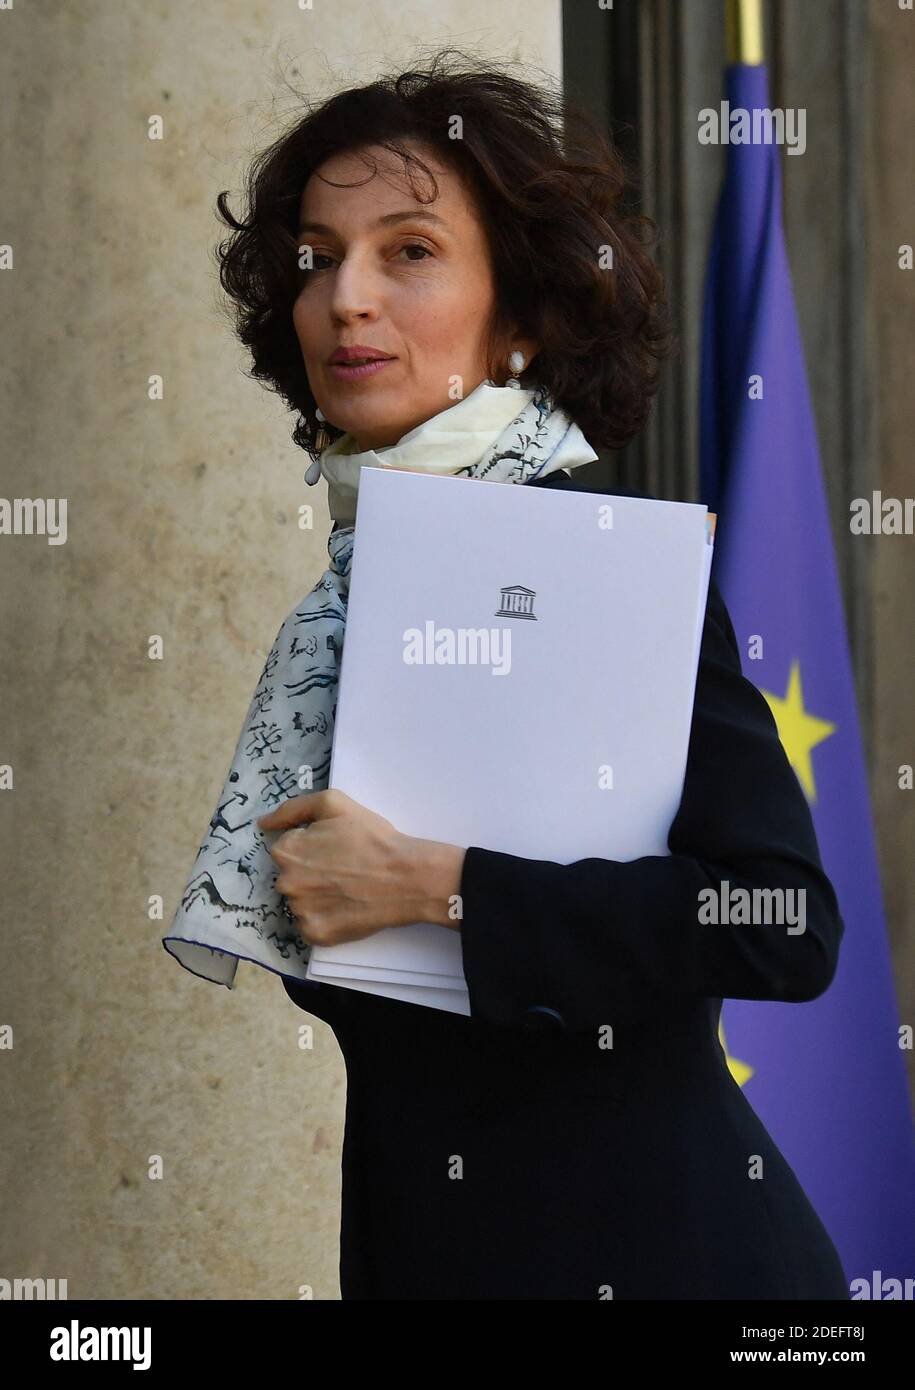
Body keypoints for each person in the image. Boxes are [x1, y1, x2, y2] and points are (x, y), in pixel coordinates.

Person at [209, 51, 849, 1300]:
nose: (348, 297)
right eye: (318, 257)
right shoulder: (351, 600)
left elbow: (784, 921)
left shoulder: (592, 559)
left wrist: (443, 887)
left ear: (521, 317)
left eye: (408, 251)